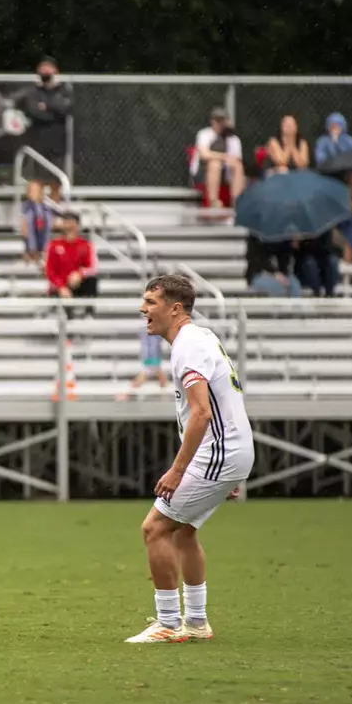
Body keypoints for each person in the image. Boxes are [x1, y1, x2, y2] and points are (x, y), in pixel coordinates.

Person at [126, 274, 254, 643]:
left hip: (217, 453)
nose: (143, 309)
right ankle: (196, 623)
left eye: (151, 302)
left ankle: (168, 624)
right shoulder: (201, 338)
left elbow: (201, 413)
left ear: (175, 308)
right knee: (183, 532)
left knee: (154, 528)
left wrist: (178, 471)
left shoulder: (188, 346)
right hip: (228, 453)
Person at [12, 56, 73, 198]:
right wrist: (53, 111)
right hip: (37, 143)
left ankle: (53, 214)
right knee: (36, 180)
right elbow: (35, 111)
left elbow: (65, 108)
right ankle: (35, 213)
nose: (45, 70)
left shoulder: (64, 90)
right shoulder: (33, 92)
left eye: (48, 67)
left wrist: (47, 106)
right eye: (42, 67)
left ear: (55, 71)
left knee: (55, 182)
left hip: (58, 144)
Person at [190, 107, 244, 208]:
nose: (220, 124)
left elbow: (236, 158)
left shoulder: (233, 139)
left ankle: (237, 202)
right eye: (217, 121)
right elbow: (204, 154)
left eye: (222, 121)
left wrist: (230, 161)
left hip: (226, 173)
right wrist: (223, 157)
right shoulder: (204, 134)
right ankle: (213, 201)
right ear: (212, 121)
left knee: (237, 165)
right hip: (203, 172)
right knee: (215, 163)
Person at [45, 212, 97, 300]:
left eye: (71, 225)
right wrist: (61, 287)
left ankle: (89, 312)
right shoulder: (53, 245)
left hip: (77, 284)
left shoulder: (86, 245)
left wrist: (80, 274)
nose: (69, 228)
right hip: (59, 286)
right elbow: (49, 270)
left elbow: (92, 268)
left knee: (92, 280)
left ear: (77, 226)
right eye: (66, 224)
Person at [116, 330, 170, 402]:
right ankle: (128, 392)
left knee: (151, 371)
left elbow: (155, 343)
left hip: (152, 354)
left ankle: (128, 392)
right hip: (150, 354)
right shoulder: (149, 328)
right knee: (152, 371)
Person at [296, 230, 341, 297]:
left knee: (333, 261)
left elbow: (330, 249)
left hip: (323, 260)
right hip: (305, 263)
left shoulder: (326, 230)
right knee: (310, 263)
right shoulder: (301, 230)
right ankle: (317, 293)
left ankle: (330, 293)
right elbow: (298, 253)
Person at [19, 179, 53, 266]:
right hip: (29, 244)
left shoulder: (46, 208)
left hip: (43, 242)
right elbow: (23, 227)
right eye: (31, 190)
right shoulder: (24, 208)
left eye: (35, 190)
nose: (32, 193)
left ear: (41, 192)